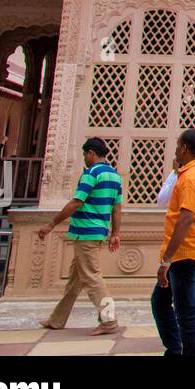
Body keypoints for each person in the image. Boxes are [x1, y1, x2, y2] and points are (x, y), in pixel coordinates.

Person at [37, 138, 122, 334]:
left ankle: (109, 320)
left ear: (91, 153)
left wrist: (52, 223)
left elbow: (76, 202)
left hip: (86, 232)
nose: (85, 158)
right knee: (75, 282)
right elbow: (117, 208)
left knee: (93, 278)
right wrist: (115, 233)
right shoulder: (115, 176)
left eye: (85, 154)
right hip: (98, 231)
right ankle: (57, 319)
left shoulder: (91, 174)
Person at [152, 128, 195, 356]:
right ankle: (174, 349)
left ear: (184, 148)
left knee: (185, 310)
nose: (176, 150)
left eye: (178, 146)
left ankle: (184, 351)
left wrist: (166, 259)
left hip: (184, 250)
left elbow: (186, 217)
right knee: (161, 302)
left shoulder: (192, 177)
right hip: (192, 247)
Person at [156, 150, 195, 229]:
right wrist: (176, 174)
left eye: (179, 147)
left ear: (185, 149)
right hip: (176, 229)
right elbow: (161, 200)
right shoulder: (177, 173)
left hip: (193, 233)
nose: (176, 152)